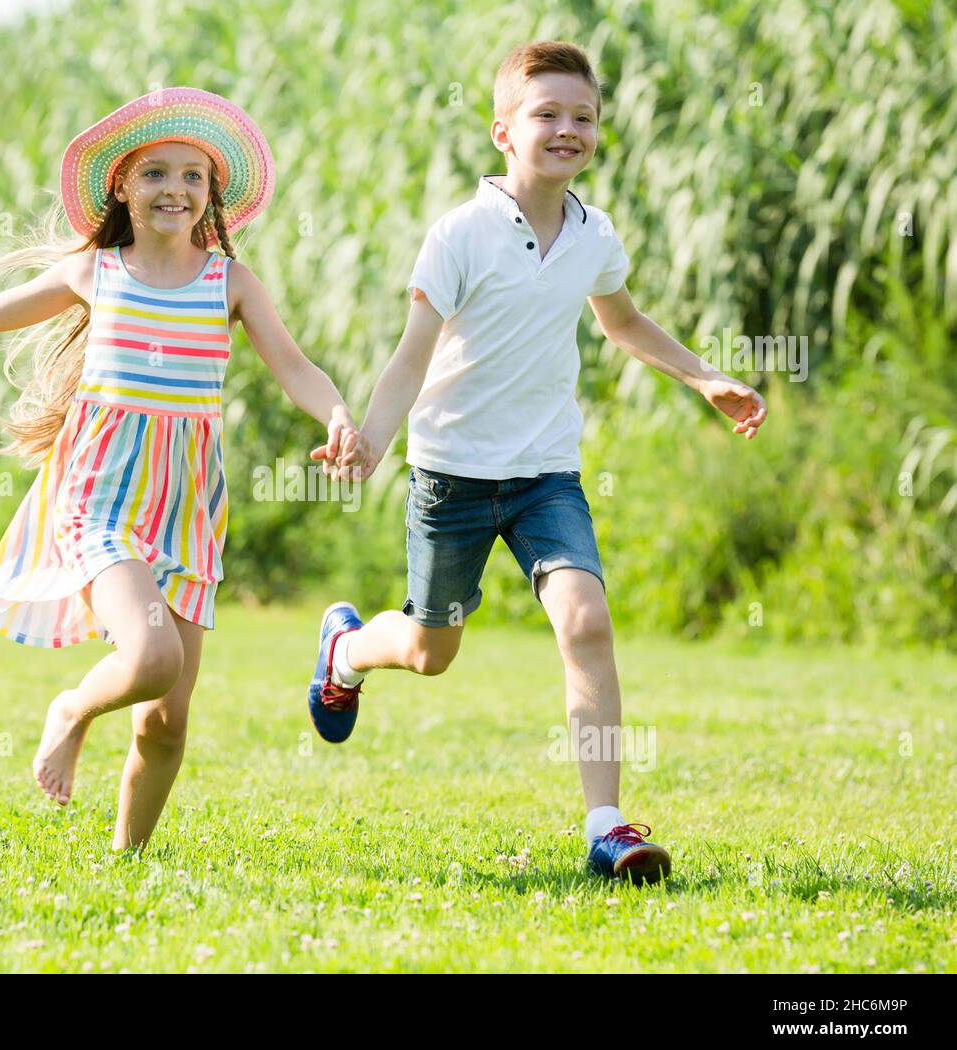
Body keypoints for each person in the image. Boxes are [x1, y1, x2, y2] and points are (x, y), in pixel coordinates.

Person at [0, 87, 366, 850]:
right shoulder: (95, 271)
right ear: (121, 186)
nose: (174, 189)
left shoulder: (230, 284)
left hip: (189, 509)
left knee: (167, 719)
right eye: (155, 174)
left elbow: (298, 369)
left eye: (192, 177)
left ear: (212, 195)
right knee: (148, 655)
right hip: (101, 501)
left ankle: (126, 860)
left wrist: (336, 413)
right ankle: (71, 710)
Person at [306, 42, 767, 884]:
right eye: (546, 114)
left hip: (546, 473)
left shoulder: (595, 235)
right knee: (427, 651)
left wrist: (706, 378)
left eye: (582, 116)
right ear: (502, 132)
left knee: (585, 621)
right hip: (451, 474)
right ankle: (343, 651)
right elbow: (411, 357)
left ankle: (608, 826)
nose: (567, 129)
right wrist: (370, 438)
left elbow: (623, 323)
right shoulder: (460, 234)